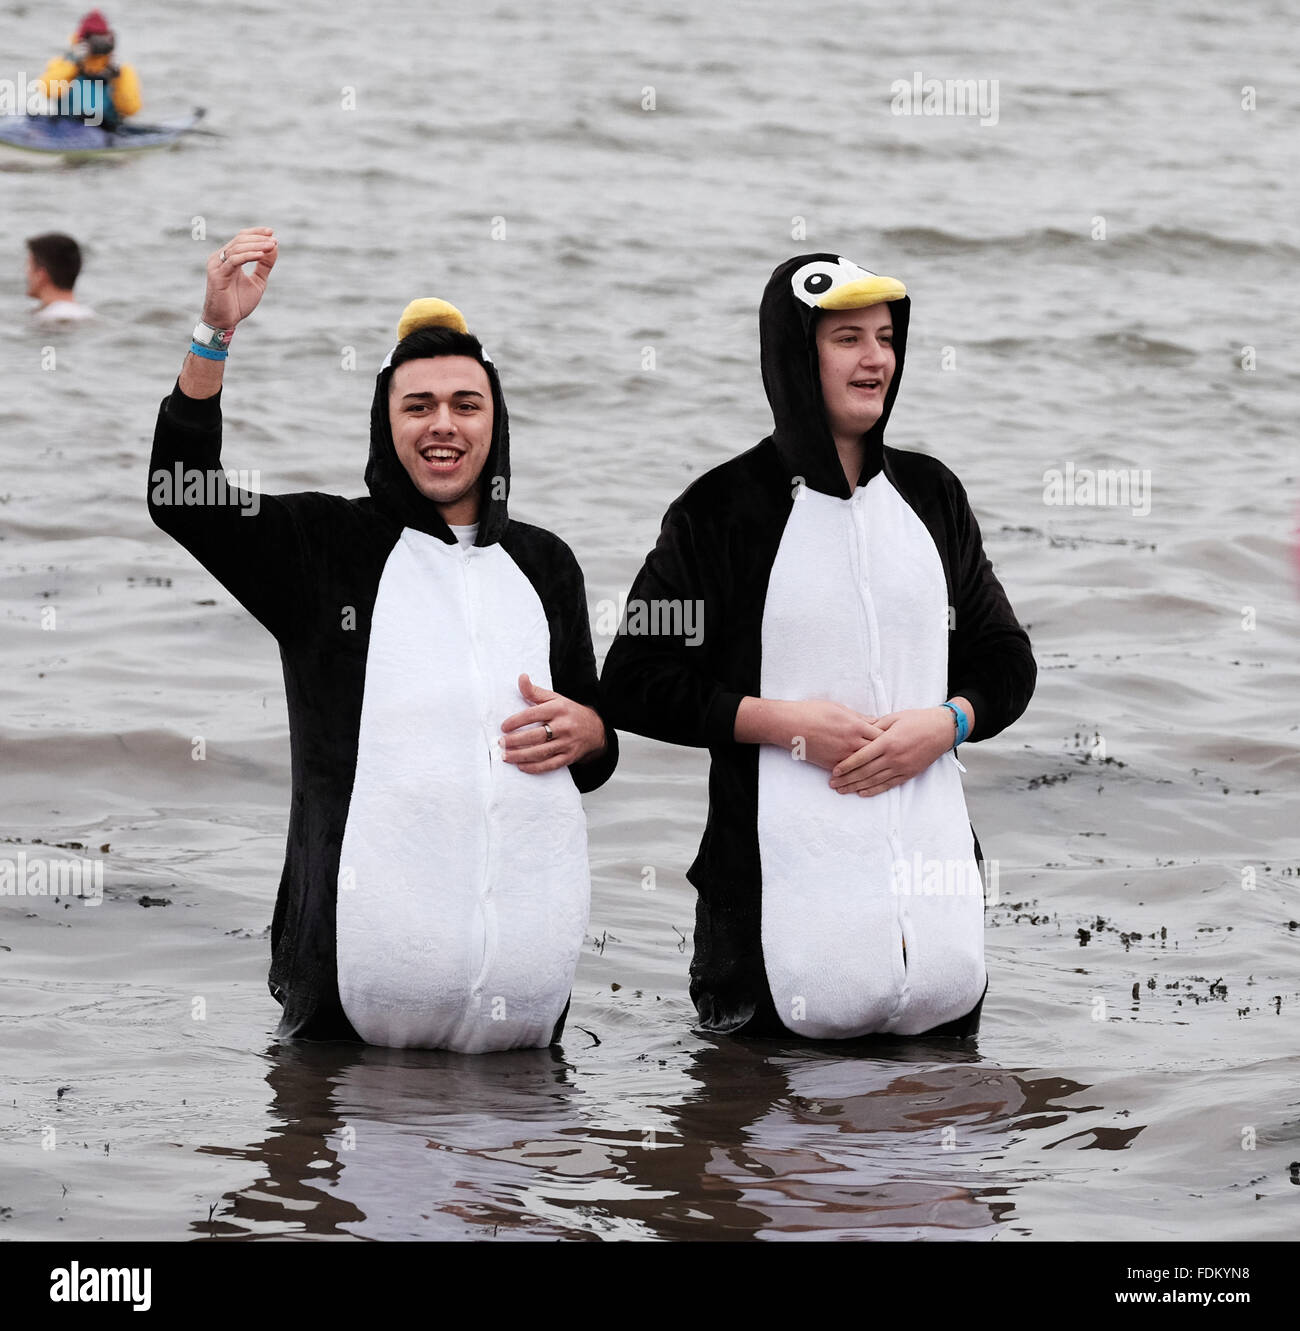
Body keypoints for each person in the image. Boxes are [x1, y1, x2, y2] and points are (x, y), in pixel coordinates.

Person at [148, 227, 617, 1051]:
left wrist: (596, 731)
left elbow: (592, 758)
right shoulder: (324, 547)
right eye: (418, 405)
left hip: (522, 1015)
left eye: (466, 405)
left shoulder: (546, 565)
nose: (444, 425)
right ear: (385, 422)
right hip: (347, 1000)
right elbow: (179, 495)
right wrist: (213, 335)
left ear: (495, 423)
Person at [599, 252, 1036, 1042]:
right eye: (848, 339)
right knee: (752, 1134)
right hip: (765, 916)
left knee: (940, 1140)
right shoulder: (720, 509)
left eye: (885, 338)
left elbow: (1006, 658)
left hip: (933, 908)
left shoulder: (933, 495)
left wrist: (948, 723)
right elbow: (632, 679)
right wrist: (780, 722)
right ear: (796, 354)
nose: (875, 359)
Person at [37, 10, 141, 130]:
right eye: (94, 39)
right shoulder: (64, 64)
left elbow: (131, 109)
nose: (98, 44)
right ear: (82, 42)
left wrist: (118, 78)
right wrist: (72, 63)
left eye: (102, 39)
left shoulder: (121, 71)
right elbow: (47, 90)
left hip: (106, 130)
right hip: (66, 127)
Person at [26, 233, 94, 324]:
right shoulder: (88, 314)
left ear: (40, 275)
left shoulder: (47, 319)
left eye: (29, 267)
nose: (26, 273)